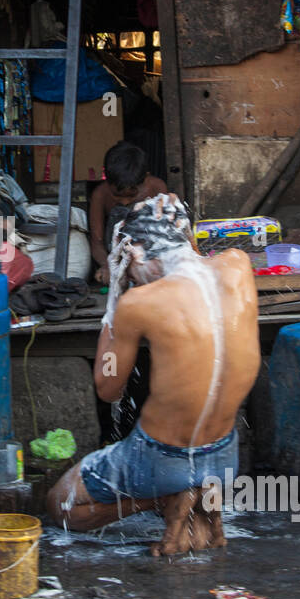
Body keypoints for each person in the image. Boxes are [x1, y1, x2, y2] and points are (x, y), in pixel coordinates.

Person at [46, 194, 260, 556]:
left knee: (62, 506)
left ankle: (165, 499)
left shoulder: (138, 303)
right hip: (223, 456)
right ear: (187, 238)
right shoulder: (239, 265)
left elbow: (108, 389)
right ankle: (195, 491)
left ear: (134, 254)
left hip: (161, 457)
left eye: (125, 265)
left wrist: (114, 301)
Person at [88, 141, 169, 284]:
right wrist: (107, 265)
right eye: (117, 195)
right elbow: (97, 242)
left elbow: (165, 234)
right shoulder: (100, 194)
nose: (125, 202)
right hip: (115, 256)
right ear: (106, 179)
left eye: (131, 196)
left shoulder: (157, 188)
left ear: (145, 177)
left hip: (148, 256)